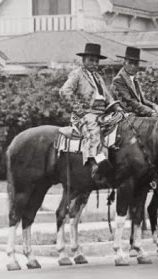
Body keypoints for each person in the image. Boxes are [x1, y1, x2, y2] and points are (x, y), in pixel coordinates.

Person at [59, 43, 115, 183]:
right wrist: (80, 111)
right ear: (83, 60)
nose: (94, 63)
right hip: (85, 115)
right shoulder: (77, 74)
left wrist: (118, 108)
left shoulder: (98, 77)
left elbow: (108, 97)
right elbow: (64, 91)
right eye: (91, 60)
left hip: (101, 113)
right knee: (93, 126)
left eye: (96, 61)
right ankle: (96, 162)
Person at [111, 47, 158, 118]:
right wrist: (150, 111)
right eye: (130, 63)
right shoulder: (118, 80)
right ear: (124, 63)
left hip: (136, 115)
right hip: (124, 117)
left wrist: (154, 106)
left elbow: (142, 101)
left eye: (136, 64)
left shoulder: (134, 79)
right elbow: (129, 103)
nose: (133, 66)